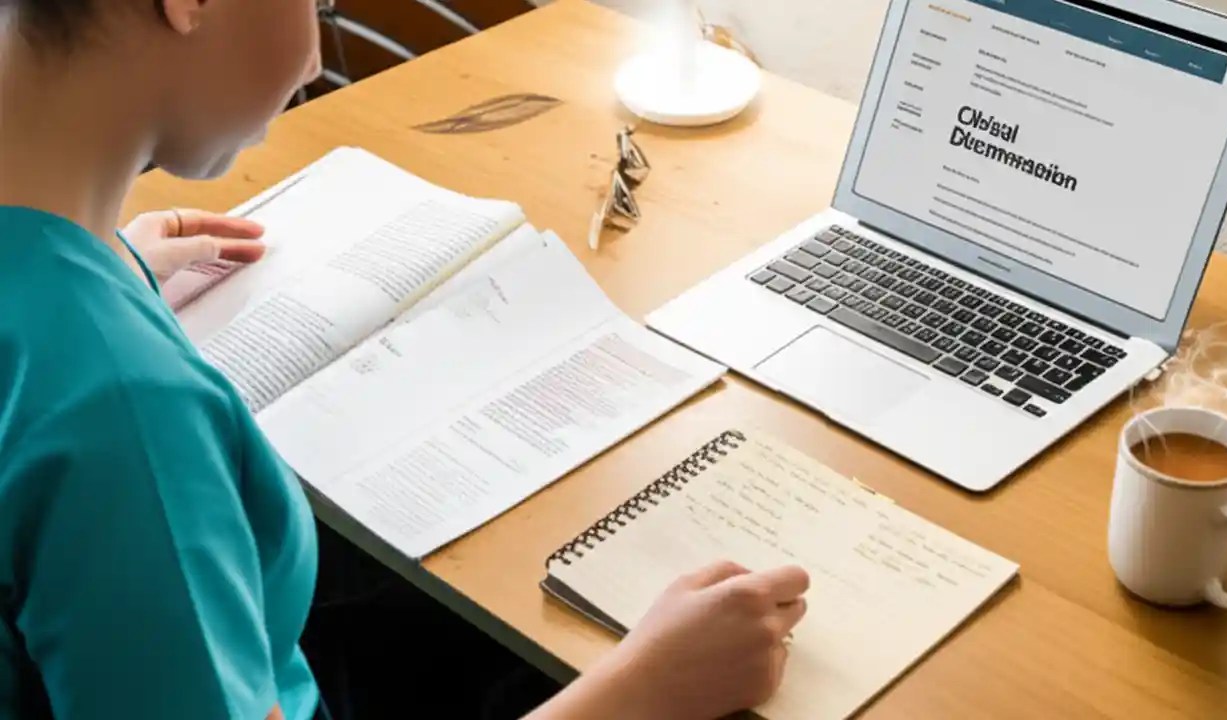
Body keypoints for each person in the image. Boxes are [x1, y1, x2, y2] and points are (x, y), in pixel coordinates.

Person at [0, 1, 811, 719]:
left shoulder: (57, 297)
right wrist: (644, 692)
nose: (316, 55)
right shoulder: (121, 409)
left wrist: (112, 264)